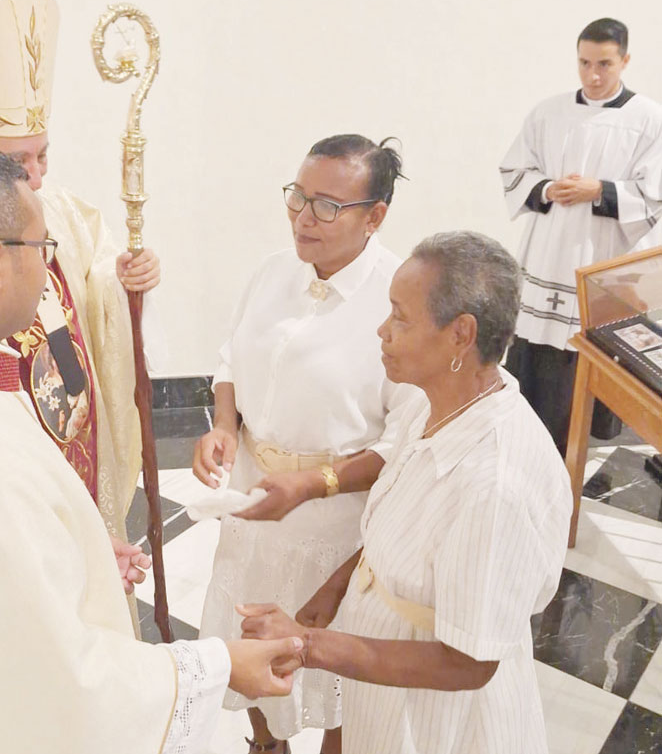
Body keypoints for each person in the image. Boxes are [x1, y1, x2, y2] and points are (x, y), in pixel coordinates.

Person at [0, 145, 305, 754]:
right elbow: (59, 694)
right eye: (42, 248)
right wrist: (219, 666)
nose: (50, 268)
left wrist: (79, 554)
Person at [238, 231, 572, 754]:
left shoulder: (493, 487)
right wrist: (338, 585)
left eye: (400, 317)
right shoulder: (433, 402)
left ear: (460, 334)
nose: (382, 330)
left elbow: (468, 663)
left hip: (439, 719)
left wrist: (308, 646)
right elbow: (404, 515)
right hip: (385, 689)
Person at [192, 134, 412, 753]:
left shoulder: (398, 298)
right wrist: (223, 426)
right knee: (252, 633)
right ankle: (265, 744)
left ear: (374, 216)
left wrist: (313, 485)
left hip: (336, 523)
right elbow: (231, 357)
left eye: (327, 206)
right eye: (297, 196)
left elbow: (404, 440)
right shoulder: (273, 271)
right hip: (255, 503)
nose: (303, 218)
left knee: (332, 667)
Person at [0, 0, 160, 543]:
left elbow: (98, 282)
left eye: (43, 154)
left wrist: (125, 278)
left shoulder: (61, 212)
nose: (35, 176)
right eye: (17, 161)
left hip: (72, 430)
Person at [499, 17, 662, 456]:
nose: (593, 75)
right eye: (584, 63)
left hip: (602, 256)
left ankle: (578, 452)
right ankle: (528, 443)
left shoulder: (649, 119)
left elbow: (656, 195)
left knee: (590, 351)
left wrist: (601, 191)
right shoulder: (549, 112)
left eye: (604, 64)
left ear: (625, 61)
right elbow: (515, 169)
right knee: (538, 355)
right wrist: (547, 188)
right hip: (548, 252)